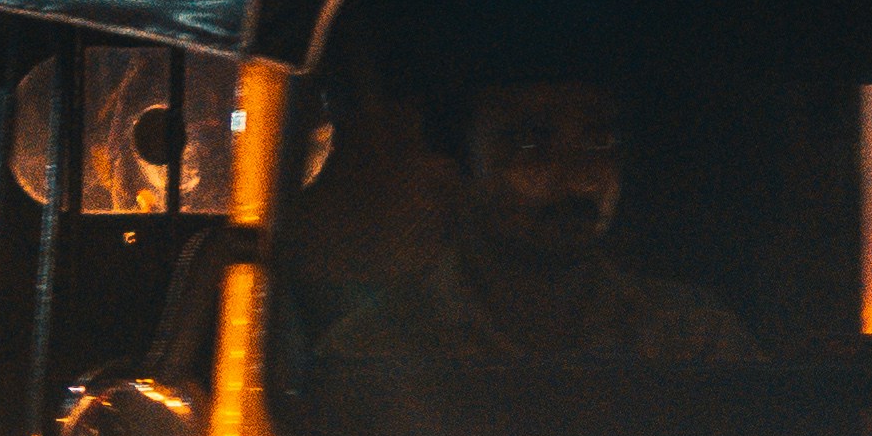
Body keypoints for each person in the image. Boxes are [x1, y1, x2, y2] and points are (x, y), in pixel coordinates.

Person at [319, 78, 752, 363]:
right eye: (529, 143)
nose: (580, 175)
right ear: (460, 170)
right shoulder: (377, 353)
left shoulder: (692, 337)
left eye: (600, 140)